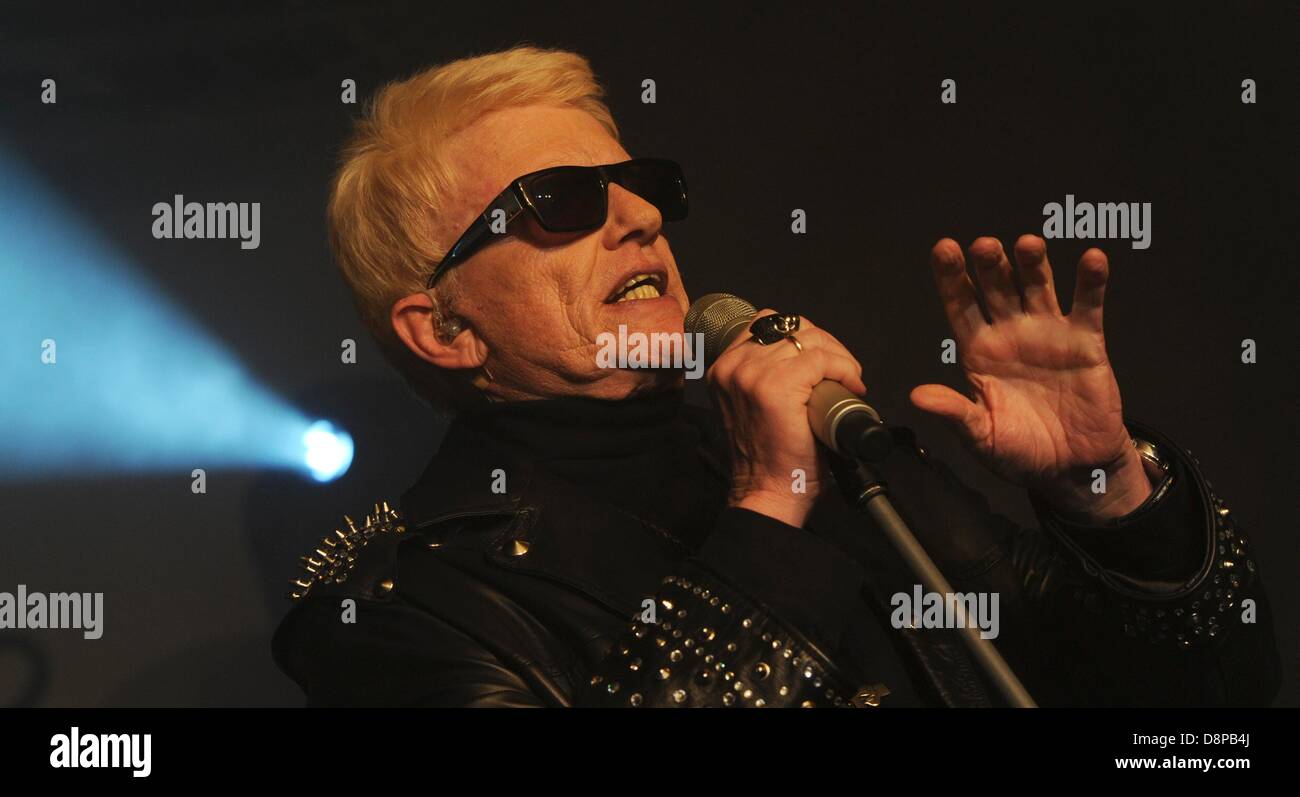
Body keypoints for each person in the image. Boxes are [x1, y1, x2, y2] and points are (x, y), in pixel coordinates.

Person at [272, 46, 1279, 707]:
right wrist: (766, 506)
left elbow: (1204, 702)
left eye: (642, 185)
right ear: (443, 326)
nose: (640, 218)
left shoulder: (817, 439)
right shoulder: (401, 609)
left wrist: (1102, 486)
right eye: (562, 202)